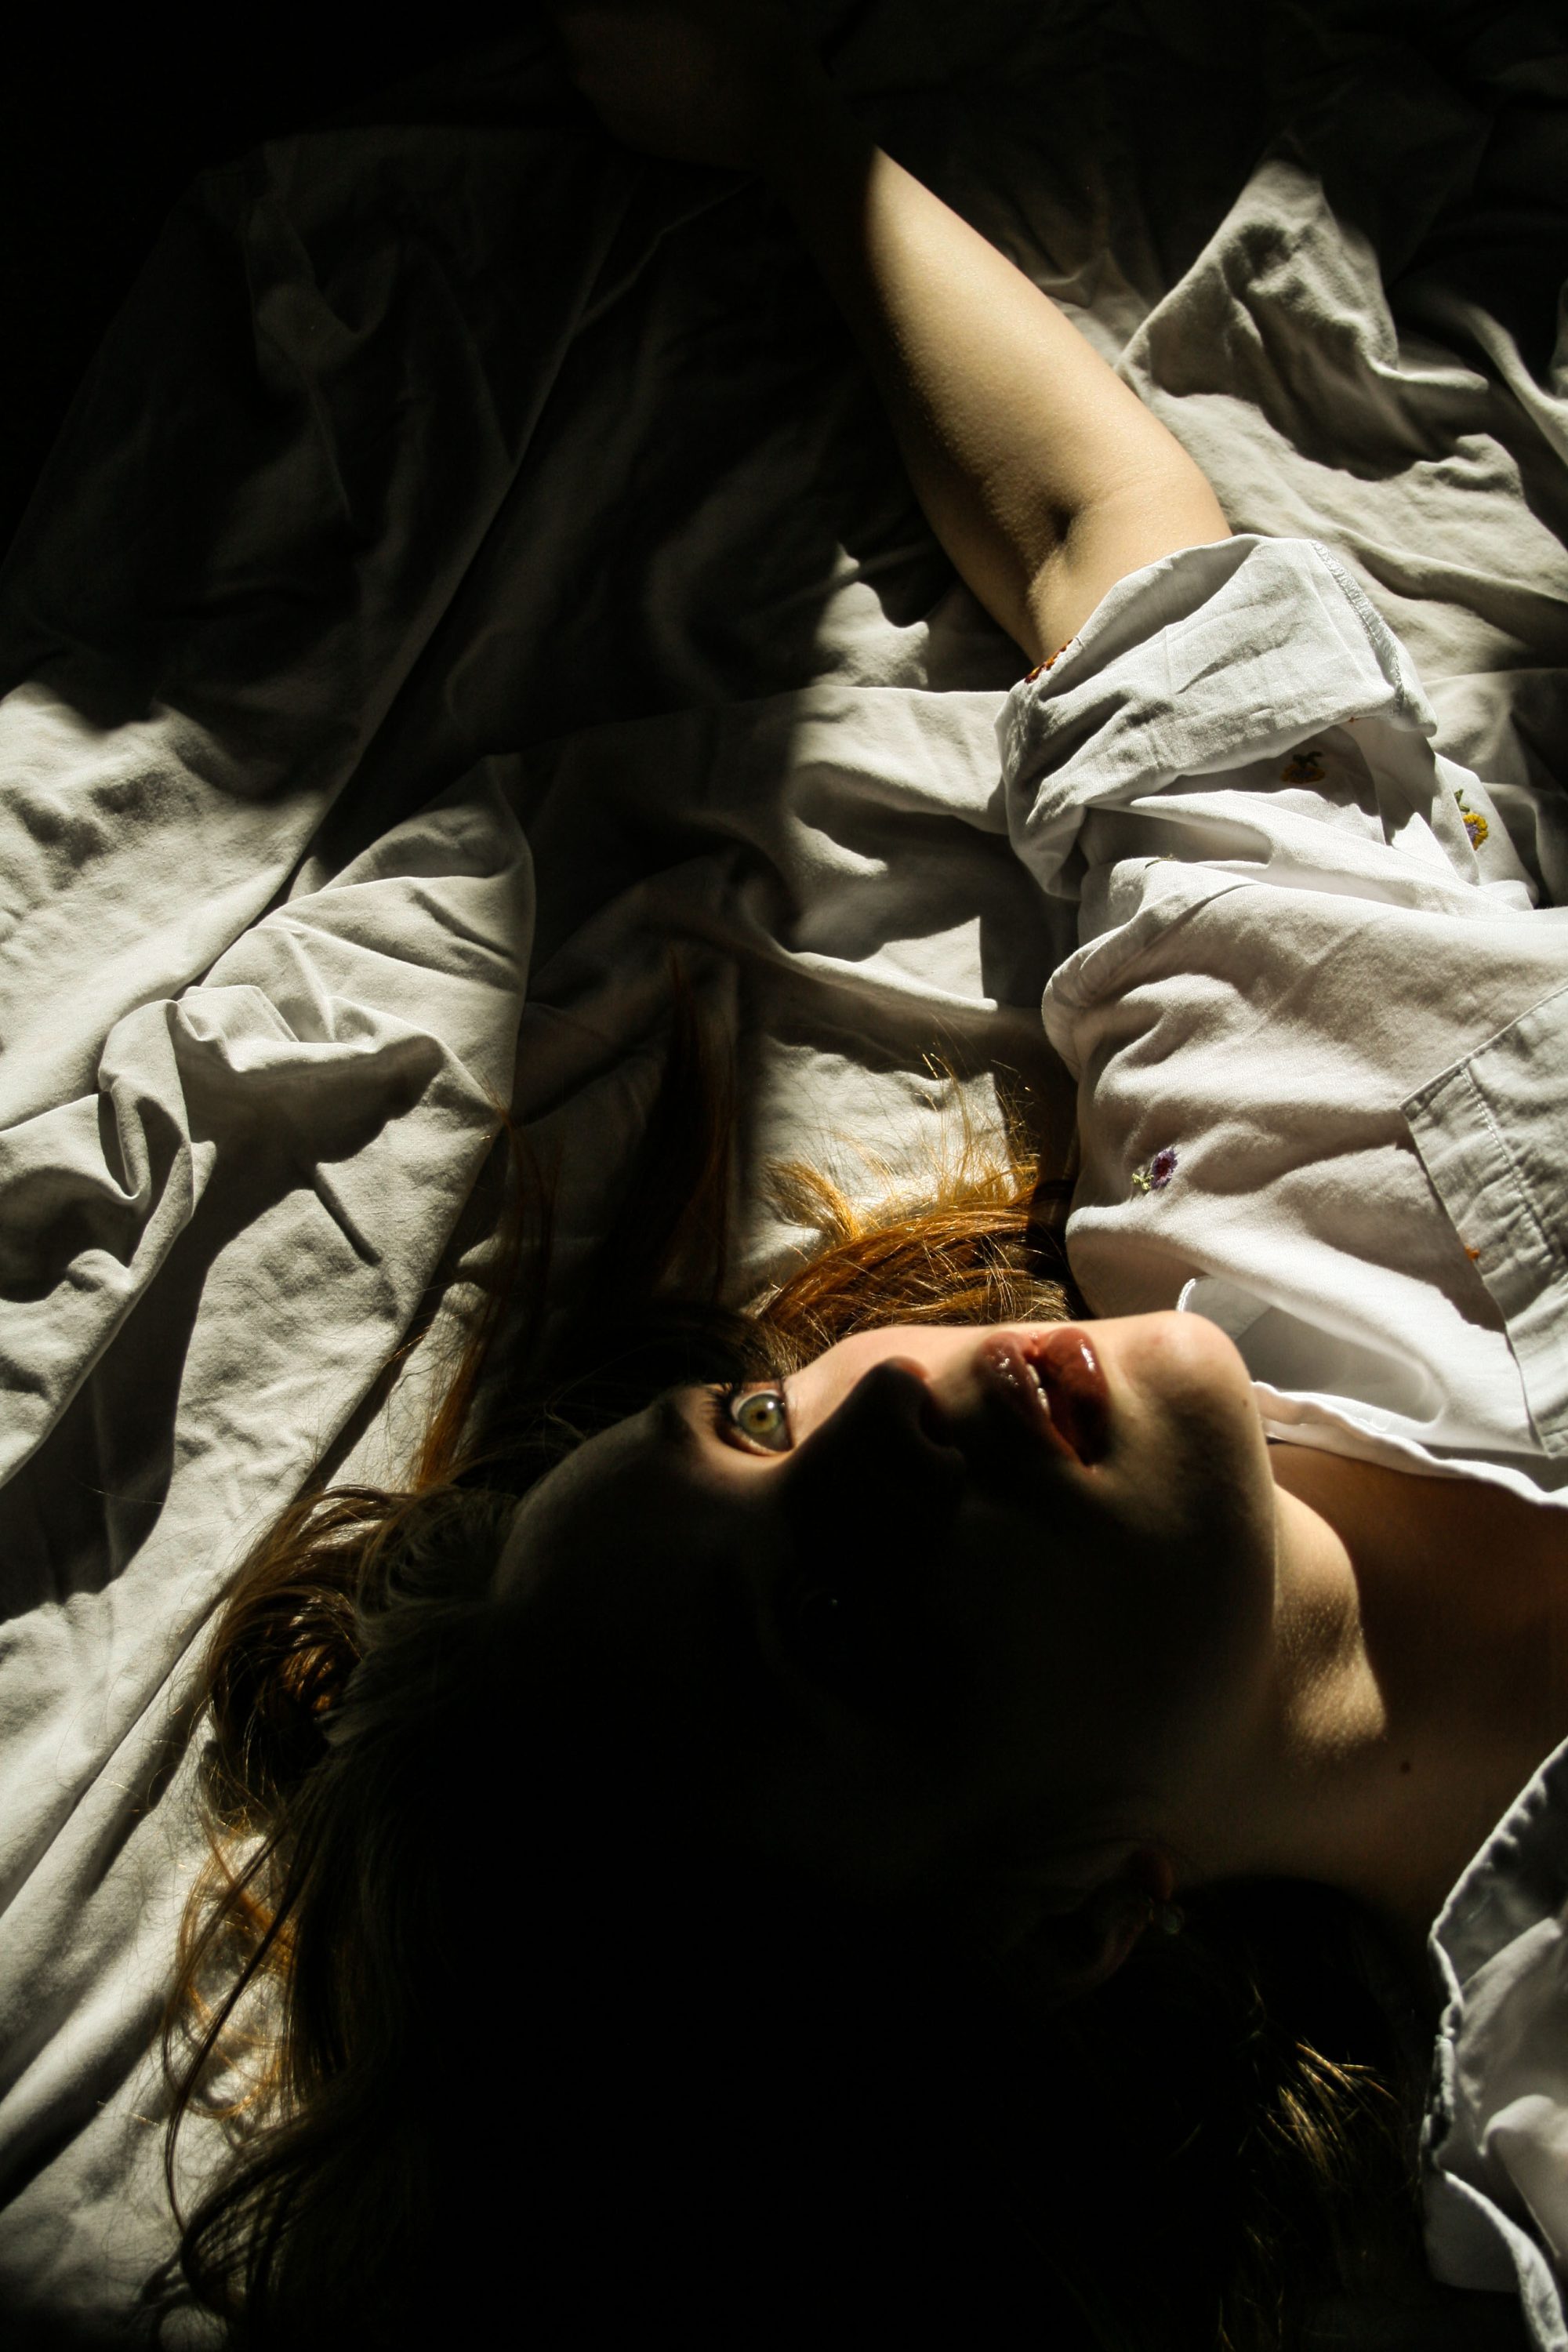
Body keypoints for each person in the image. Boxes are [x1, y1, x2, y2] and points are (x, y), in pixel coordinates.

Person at [159, 5, 1568, 2347]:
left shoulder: (1288, 1122)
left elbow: (1092, 542)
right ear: (1060, 1925)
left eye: (750, 1425)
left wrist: (779, 130)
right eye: (824, 1623)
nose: (881, 1418)